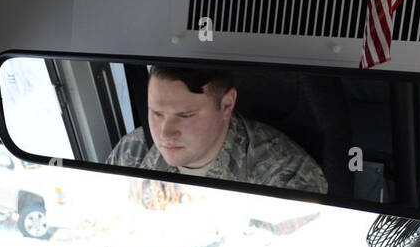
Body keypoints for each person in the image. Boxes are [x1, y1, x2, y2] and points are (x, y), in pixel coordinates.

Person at [108, 65, 329, 193]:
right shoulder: (132, 152)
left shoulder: (283, 178)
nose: (165, 133)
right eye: (156, 113)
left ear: (226, 105)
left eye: (185, 115)